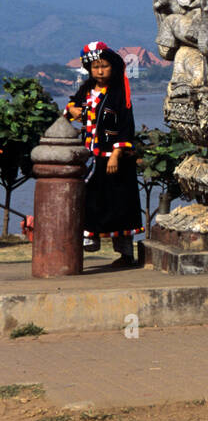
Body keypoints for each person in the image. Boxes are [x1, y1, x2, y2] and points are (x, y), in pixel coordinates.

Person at [64, 41, 142, 267]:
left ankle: (126, 253)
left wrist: (116, 155)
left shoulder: (119, 93)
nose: (99, 71)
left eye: (104, 66)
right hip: (90, 158)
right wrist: (71, 110)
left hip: (114, 160)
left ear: (113, 67)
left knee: (120, 203)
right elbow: (69, 111)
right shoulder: (85, 89)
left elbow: (126, 126)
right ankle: (91, 238)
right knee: (91, 199)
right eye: (95, 66)